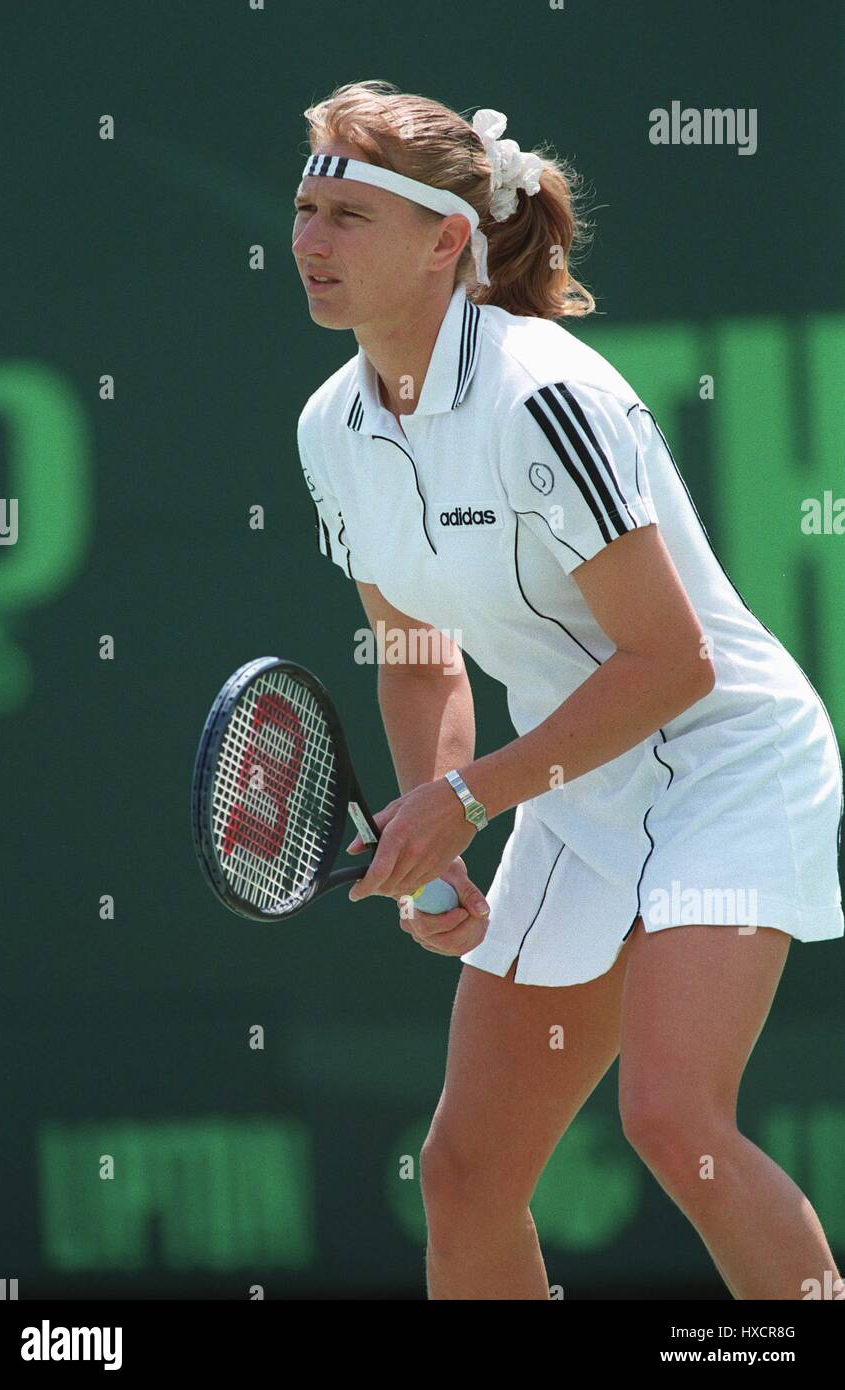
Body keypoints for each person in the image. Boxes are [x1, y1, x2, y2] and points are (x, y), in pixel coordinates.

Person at [292, 79, 844, 1300]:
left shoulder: (547, 393)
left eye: (349, 217)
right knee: (464, 1172)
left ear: (446, 242)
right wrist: (439, 845)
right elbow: (417, 649)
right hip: (570, 779)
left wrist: (470, 799)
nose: (312, 244)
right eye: (305, 211)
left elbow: (674, 660)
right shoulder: (331, 429)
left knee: (674, 1120)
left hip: (726, 763)